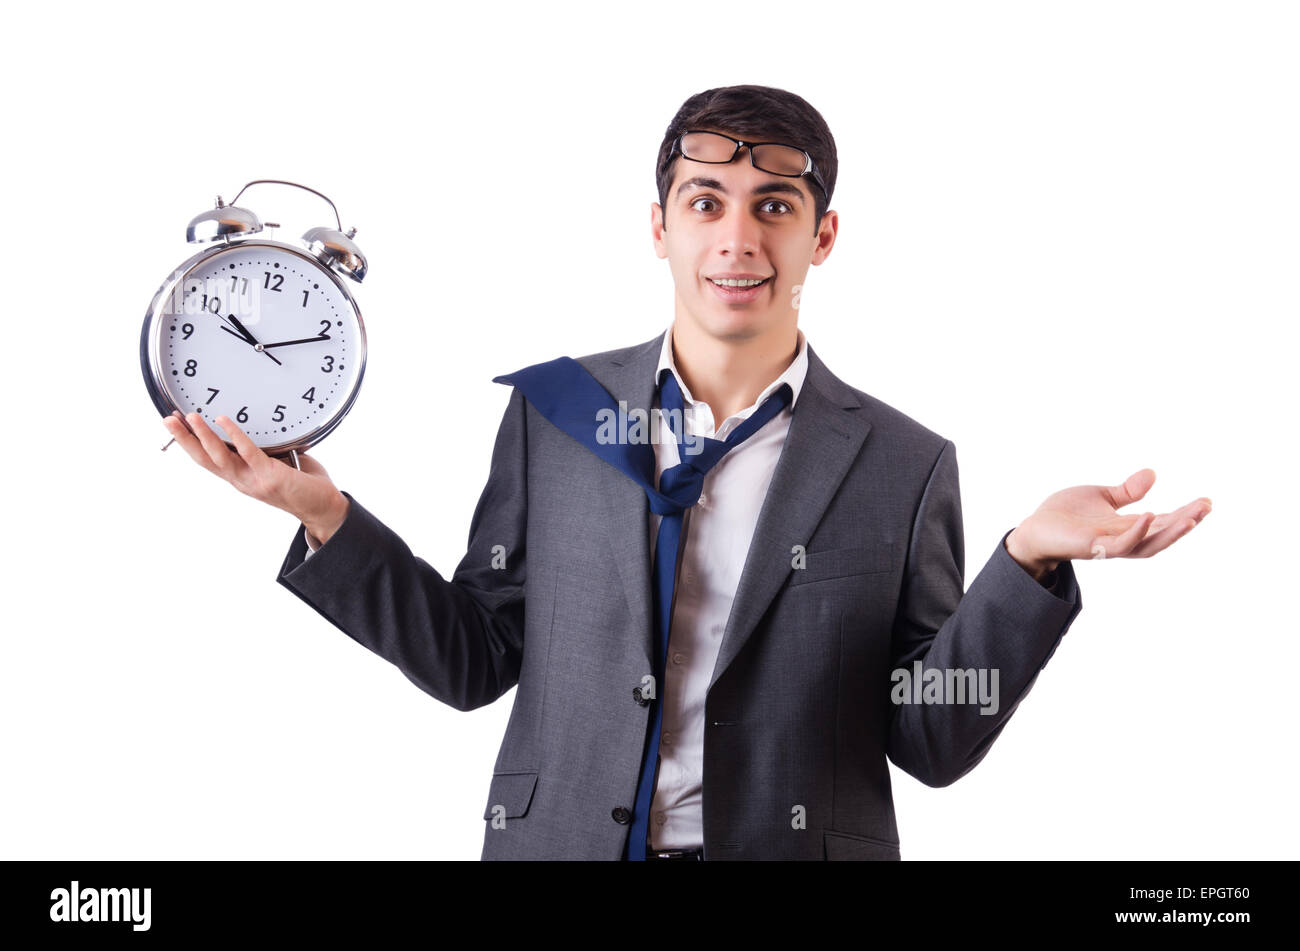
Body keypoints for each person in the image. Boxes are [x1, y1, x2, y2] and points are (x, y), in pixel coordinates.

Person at [160, 84, 1211, 860]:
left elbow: (926, 735)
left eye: (774, 206)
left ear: (822, 236)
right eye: (706, 202)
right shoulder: (557, 414)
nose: (737, 238)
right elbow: (474, 660)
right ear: (659, 227)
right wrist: (324, 514)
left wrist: (1026, 562)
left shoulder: (903, 462)